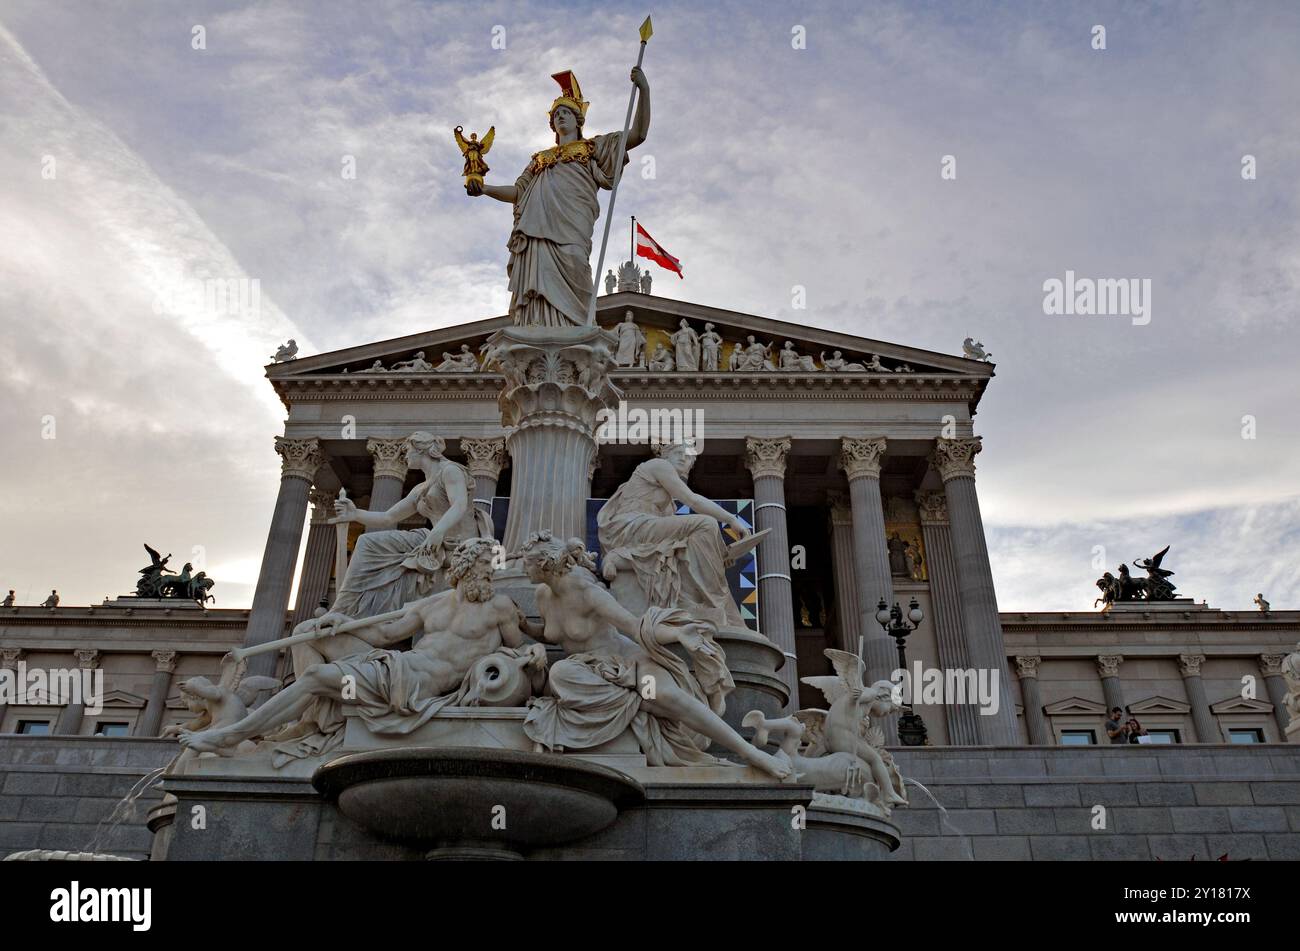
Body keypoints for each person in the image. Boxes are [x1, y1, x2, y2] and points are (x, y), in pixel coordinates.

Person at [179, 538, 543, 755]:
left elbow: (516, 652)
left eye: (490, 567)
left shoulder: (499, 607)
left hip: (413, 685)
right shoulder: (433, 604)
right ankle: (313, 721)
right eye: (483, 565)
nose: (489, 572)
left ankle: (233, 735)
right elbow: (385, 635)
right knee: (310, 631)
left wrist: (534, 653)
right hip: (394, 665)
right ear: (464, 567)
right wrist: (341, 621)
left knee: (316, 677)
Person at [518, 532, 791, 778]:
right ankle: (635, 704)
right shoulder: (544, 595)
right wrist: (526, 628)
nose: (521, 568)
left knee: (665, 695)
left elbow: (634, 627)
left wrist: (678, 634)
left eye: (526, 563)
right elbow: (554, 633)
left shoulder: (588, 593)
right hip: (588, 669)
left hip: (629, 662)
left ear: (544, 564)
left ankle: (750, 753)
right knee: (560, 673)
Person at [467, 67, 651, 327]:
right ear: (552, 124)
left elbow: (637, 134)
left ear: (578, 120)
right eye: (556, 115)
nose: (561, 117)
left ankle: (578, 330)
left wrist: (644, 89)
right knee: (539, 278)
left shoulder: (593, 148)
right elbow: (518, 192)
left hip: (573, 223)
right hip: (537, 229)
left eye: (566, 113)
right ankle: (540, 328)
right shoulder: (540, 159)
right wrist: (485, 189)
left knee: (575, 262)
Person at [327, 432, 494, 618]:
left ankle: (345, 609)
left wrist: (437, 532)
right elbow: (388, 517)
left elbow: (459, 505)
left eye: (407, 450)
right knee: (366, 542)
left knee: (371, 543)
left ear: (420, 449)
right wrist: (355, 514)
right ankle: (342, 608)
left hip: (459, 546)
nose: (405, 455)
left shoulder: (450, 471)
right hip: (432, 542)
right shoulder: (420, 489)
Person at [597, 442, 751, 629]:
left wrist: (717, 556)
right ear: (666, 455)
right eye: (678, 453)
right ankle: (715, 603)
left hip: (645, 529)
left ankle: (703, 606)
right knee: (706, 524)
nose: (683, 459)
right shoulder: (658, 465)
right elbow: (693, 500)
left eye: (689, 457)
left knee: (695, 538)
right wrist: (731, 519)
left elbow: (683, 541)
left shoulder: (669, 504)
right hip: (631, 526)